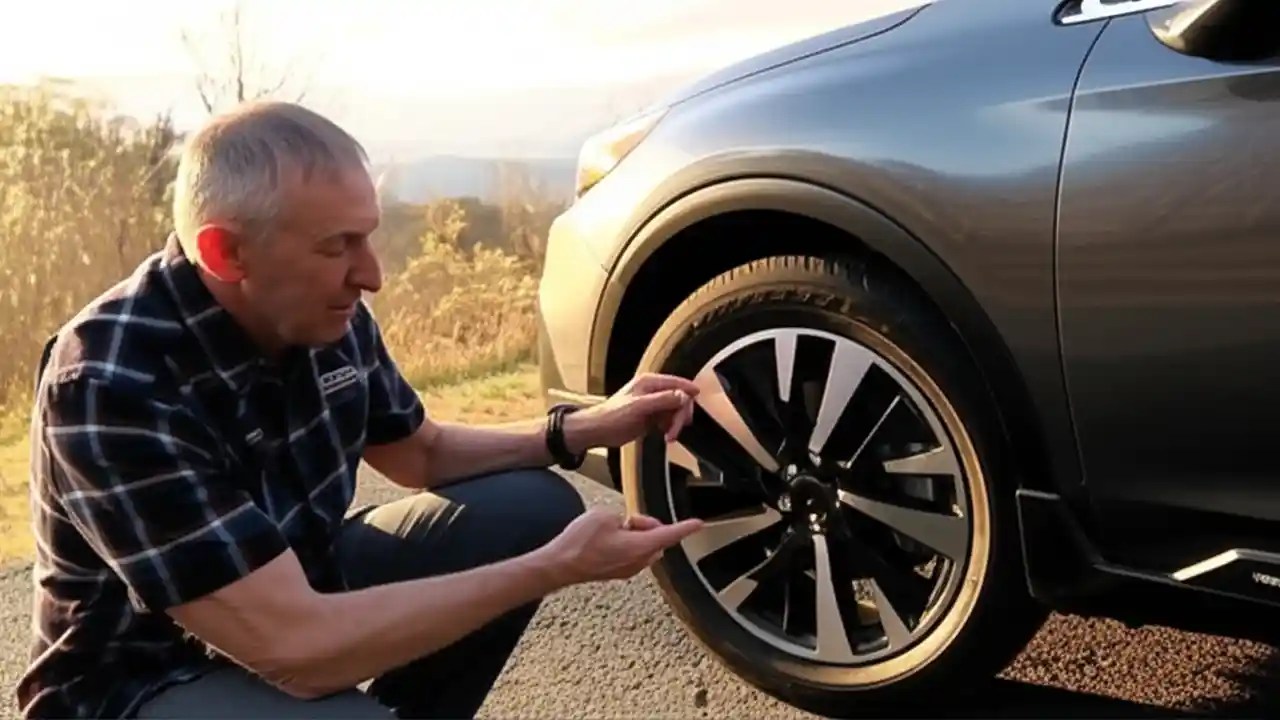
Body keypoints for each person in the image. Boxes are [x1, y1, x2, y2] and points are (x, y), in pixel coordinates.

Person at [16, 101, 705, 719]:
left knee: (529, 507)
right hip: (142, 679)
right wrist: (556, 567)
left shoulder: (323, 315)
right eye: (335, 246)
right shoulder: (111, 380)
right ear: (225, 252)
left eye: (367, 236)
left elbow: (421, 453)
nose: (370, 274)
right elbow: (296, 648)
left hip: (293, 591)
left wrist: (583, 427)